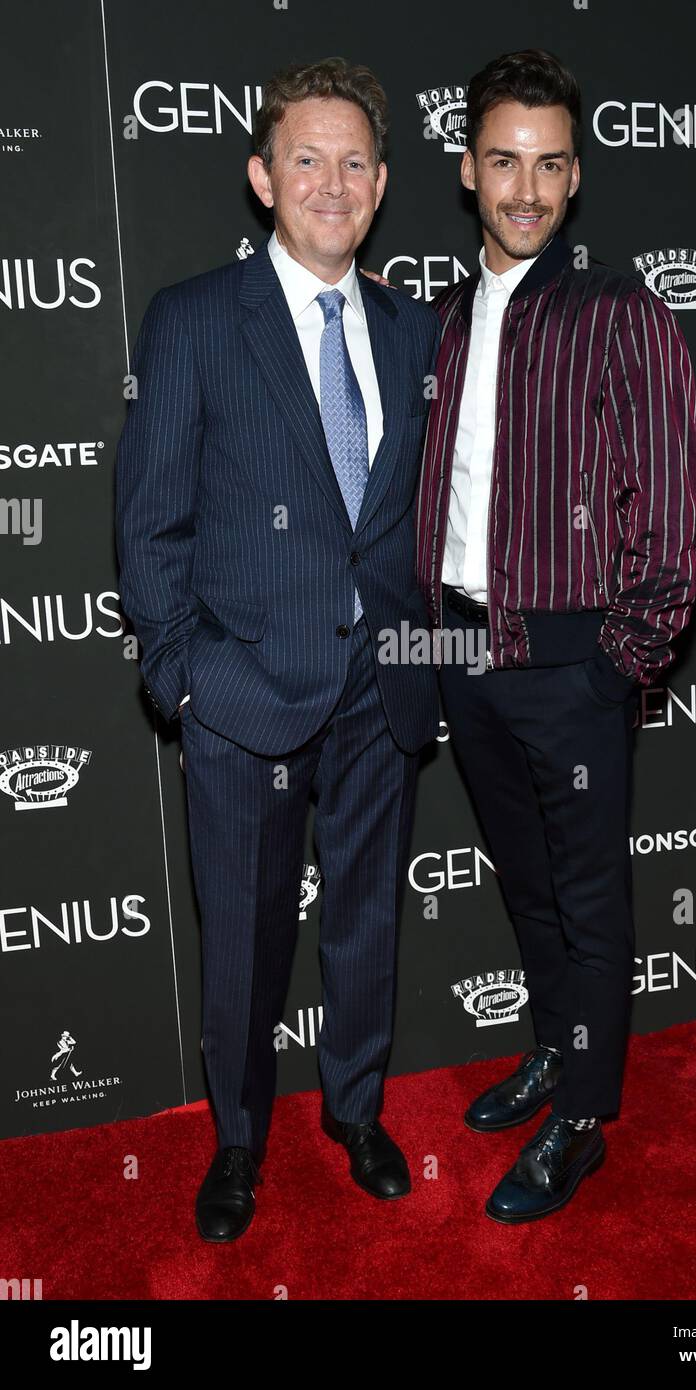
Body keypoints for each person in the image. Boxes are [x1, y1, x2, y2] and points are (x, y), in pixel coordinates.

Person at [115, 57, 440, 1242]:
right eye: (307, 157)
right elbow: (149, 521)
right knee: (245, 937)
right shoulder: (197, 318)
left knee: (364, 920)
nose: (332, 181)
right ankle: (239, 1142)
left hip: (379, 691)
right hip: (244, 688)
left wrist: (423, 659)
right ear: (262, 177)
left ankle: (356, 1111)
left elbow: (421, 517)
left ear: (385, 181)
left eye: (355, 160)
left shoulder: (414, 330)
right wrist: (183, 673)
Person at [415, 49, 696, 1223]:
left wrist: (614, 663)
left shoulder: (623, 314)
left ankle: (582, 1117)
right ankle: (554, 1047)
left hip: (574, 660)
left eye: (547, 165)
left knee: (588, 901)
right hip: (465, 656)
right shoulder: (440, 318)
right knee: (528, 885)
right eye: (503, 162)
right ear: (468, 170)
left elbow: (677, 523)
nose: (524, 189)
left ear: (575, 176)